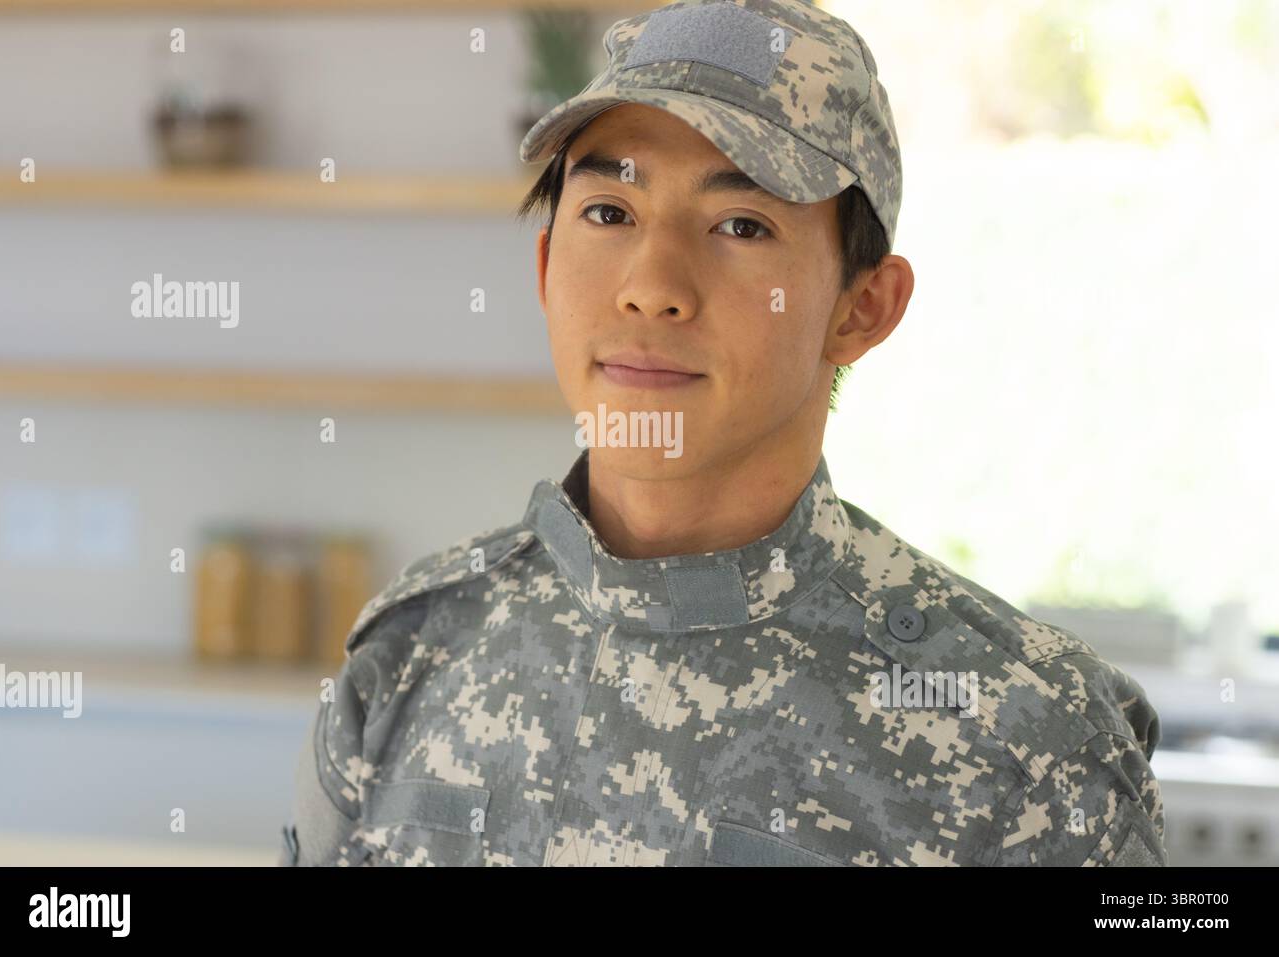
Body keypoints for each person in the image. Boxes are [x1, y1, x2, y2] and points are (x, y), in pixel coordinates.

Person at [279, 0, 1167, 867]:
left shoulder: (1026, 740)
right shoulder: (410, 657)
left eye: (741, 224)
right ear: (547, 269)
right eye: (609, 213)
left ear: (863, 307)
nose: (652, 285)